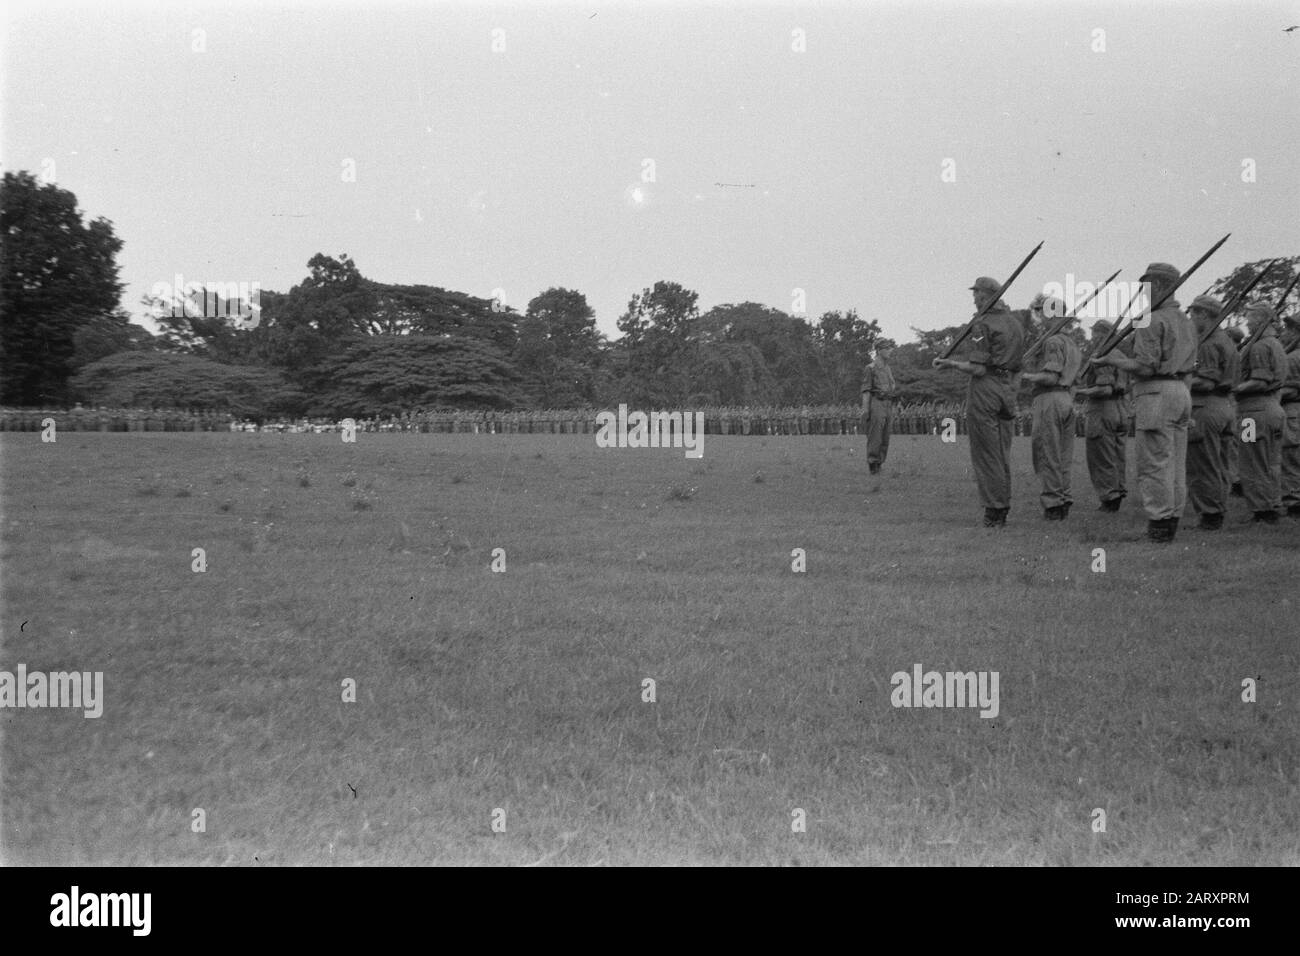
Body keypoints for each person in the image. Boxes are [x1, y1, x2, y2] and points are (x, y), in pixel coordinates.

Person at [1090, 262, 1195, 542]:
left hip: (1156, 391)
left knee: (1154, 463)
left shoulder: (1150, 319)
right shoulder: (1185, 320)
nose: (1144, 292)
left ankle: (1159, 525)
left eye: (1146, 286)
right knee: (1175, 463)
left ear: (1158, 286)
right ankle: (1170, 521)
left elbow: (1145, 366)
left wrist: (1114, 359)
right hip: (1181, 390)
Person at [933, 276, 1027, 527]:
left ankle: (994, 510)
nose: (974, 299)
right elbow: (1018, 367)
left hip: (985, 389)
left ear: (985, 296)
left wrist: (949, 363)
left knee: (986, 454)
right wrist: (1010, 391)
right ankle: (1002, 504)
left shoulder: (982, 324)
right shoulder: (1016, 324)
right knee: (1001, 451)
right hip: (1007, 389)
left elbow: (977, 369)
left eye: (976, 294)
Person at [1021, 295, 1082, 519]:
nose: (1040, 318)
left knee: (1047, 453)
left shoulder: (1053, 341)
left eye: (1042, 312)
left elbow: (1049, 376)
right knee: (1063, 455)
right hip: (1067, 399)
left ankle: (1053, 504)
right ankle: (1063, 498)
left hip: (1050, 398)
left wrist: (1025, 376)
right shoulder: (1072, 343)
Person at [1185, 295, 1239, 530]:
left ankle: (1210, 515)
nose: (1191, 318)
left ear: (1203, 314)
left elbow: (1206, 381)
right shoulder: (1227, 341)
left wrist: (1181, 378)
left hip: (1206, 406)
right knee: (1220, 464)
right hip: (1225, 406)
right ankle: (1217, 510)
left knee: (1202, 465)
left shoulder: (1207, 343)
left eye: (1193, 313)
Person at [1233, 303, 1287, 523]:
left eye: (1250, 318)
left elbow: (1259, 380)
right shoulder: (1276, 345)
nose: (1247, 323)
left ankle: (1262, 510)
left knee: (1252, 459)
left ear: (1261, 320)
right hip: (1272, 408)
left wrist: (1233, 388)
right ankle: (1271, 503)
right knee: (1270, 460)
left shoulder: (1259, 347)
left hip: (1253, 412)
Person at [1076, 319, 1129, 511]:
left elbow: (1104, 389)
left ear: (1102, 334)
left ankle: (1109, 498)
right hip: (1122, 408)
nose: (1092, 337)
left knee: (1101, 455)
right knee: (1118, 455)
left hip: (1103, 408)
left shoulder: (1102, 355)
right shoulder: (1121, 355)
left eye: (1095, 333)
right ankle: (1118, 491)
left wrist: (1081, 392)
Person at [861, 340, 898, 475]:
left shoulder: (887, 368)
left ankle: (880, 462)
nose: (890, 351)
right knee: (875, 434)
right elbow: (866, 390)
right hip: (876, 402)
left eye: (890, 348)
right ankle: (873, 462)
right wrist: (865, 410)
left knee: (885, 435)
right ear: (878, 350)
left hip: (888, 403)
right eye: (887, 348)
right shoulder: (870, 368)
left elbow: (892, 385)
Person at [1224, 324, 1246, 496]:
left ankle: (1237, 480)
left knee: (1234, 444)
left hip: (1234, 402)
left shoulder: (1233, 356)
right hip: (1238, 404)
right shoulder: (1238, 355)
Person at [1282, 315, 1300, 518]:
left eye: (1288, 330)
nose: (1284, 334)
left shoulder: (1292, 358)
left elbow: (1288, 390)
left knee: (1292, 458)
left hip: (1293, 411)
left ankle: (1294, 502)